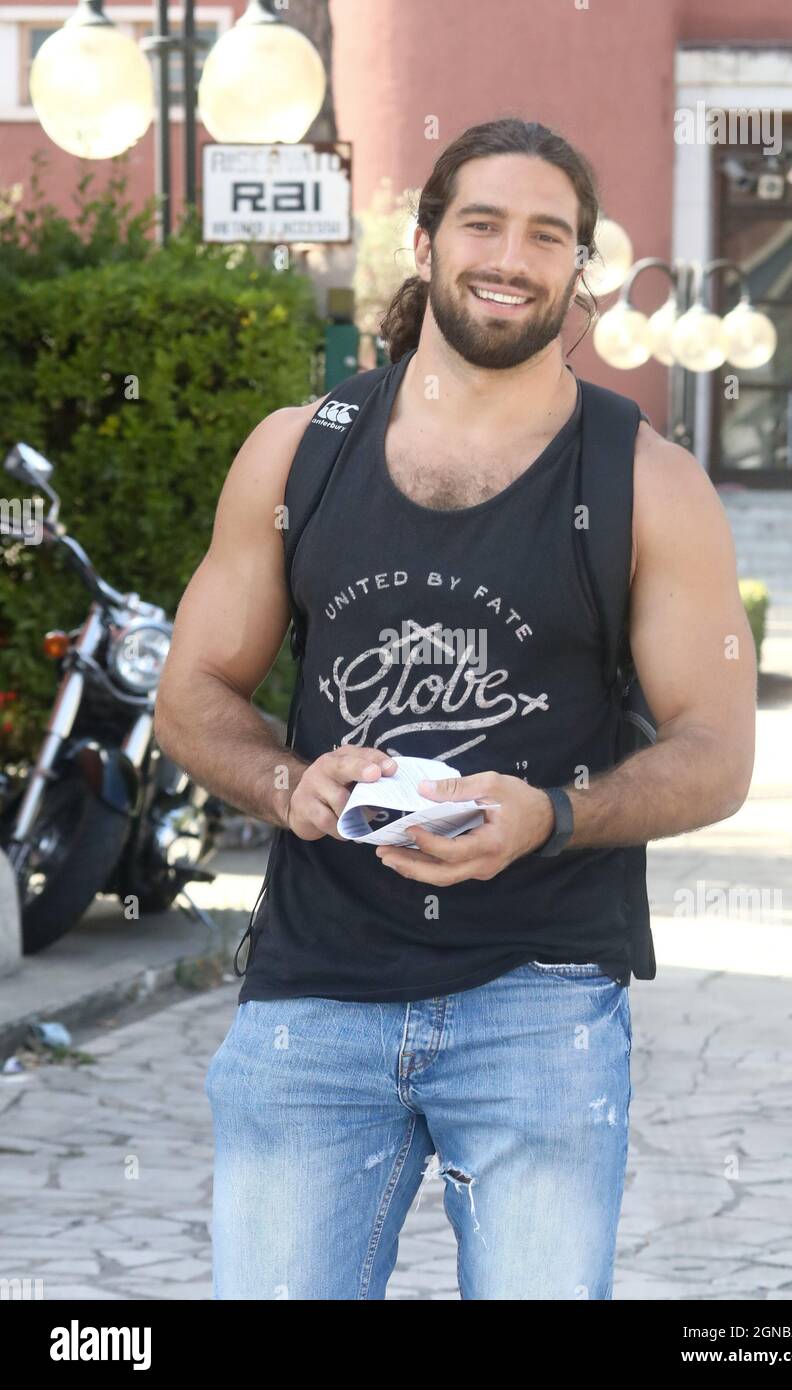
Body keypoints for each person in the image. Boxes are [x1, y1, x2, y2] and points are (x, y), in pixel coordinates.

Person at [154, 117, 756, 1300]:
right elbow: (193, 693)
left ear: (575, 270)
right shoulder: (298, 453)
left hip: (537, 1003)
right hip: (312, 997)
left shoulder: (645, 483)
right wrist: (289, 782)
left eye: (548, 235)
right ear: (425, 241)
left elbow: (715, 752)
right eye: (481, 221)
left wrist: (547, 813)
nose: (510, 255)